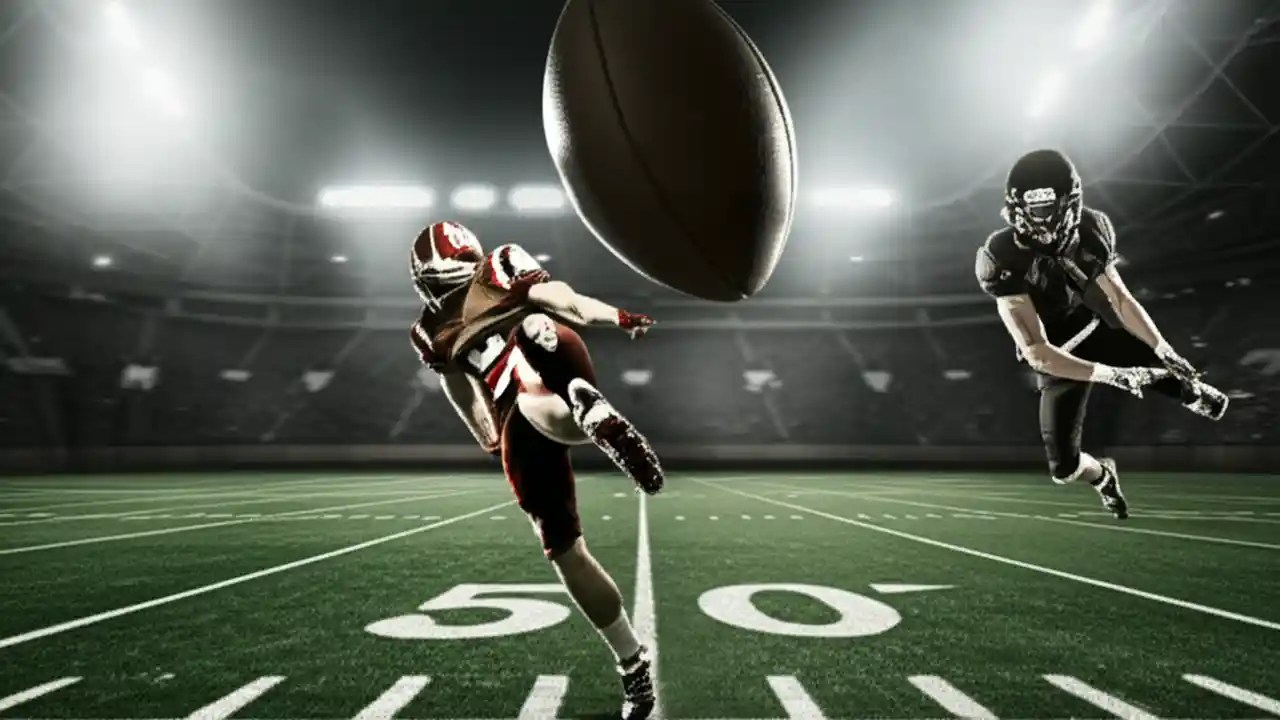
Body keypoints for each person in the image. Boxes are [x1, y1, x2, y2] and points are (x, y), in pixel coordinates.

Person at [408, 220, 661, 719]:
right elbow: (564, 299)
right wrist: (616, 317)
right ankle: (584, 409)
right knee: (567, 553)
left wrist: (485, 434)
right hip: (547, 377)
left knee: (568, 553)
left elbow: (459, 386)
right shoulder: (496, 270)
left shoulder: (432, 327)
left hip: (531, 383)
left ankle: (633, 667)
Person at [975, 149, 1228, 519]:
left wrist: (1162, 346)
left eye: (1045, 208)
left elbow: (1121, 301)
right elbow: (1036, 351)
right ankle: (1103, 476)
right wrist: (1114, 376)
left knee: (1165, 366)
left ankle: (1192, 392)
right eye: (1030, 209)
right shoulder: (1000, 255)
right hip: (1056, 359)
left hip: (1089, 329)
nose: (1036, 220)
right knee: (1064, 469)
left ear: (1069, 203)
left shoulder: (1093, 228)